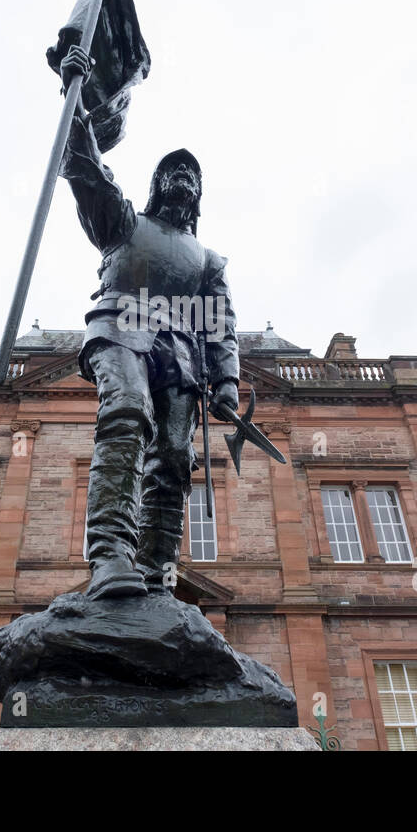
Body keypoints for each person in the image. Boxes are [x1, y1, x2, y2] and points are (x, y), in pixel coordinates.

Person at [58, 44, 240, 600]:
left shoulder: (208, 260)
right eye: (173, 171)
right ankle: (111, 556)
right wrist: (73, 101)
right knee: (127, 412)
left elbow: (220, 323)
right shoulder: (126, 221)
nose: (183, 178)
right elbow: (87, 170)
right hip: (120, 326)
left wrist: (228, 379)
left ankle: (158, 573)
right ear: (158, 183)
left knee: (176, 459)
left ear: (200, 194)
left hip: (182, 354)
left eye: (191, 175)